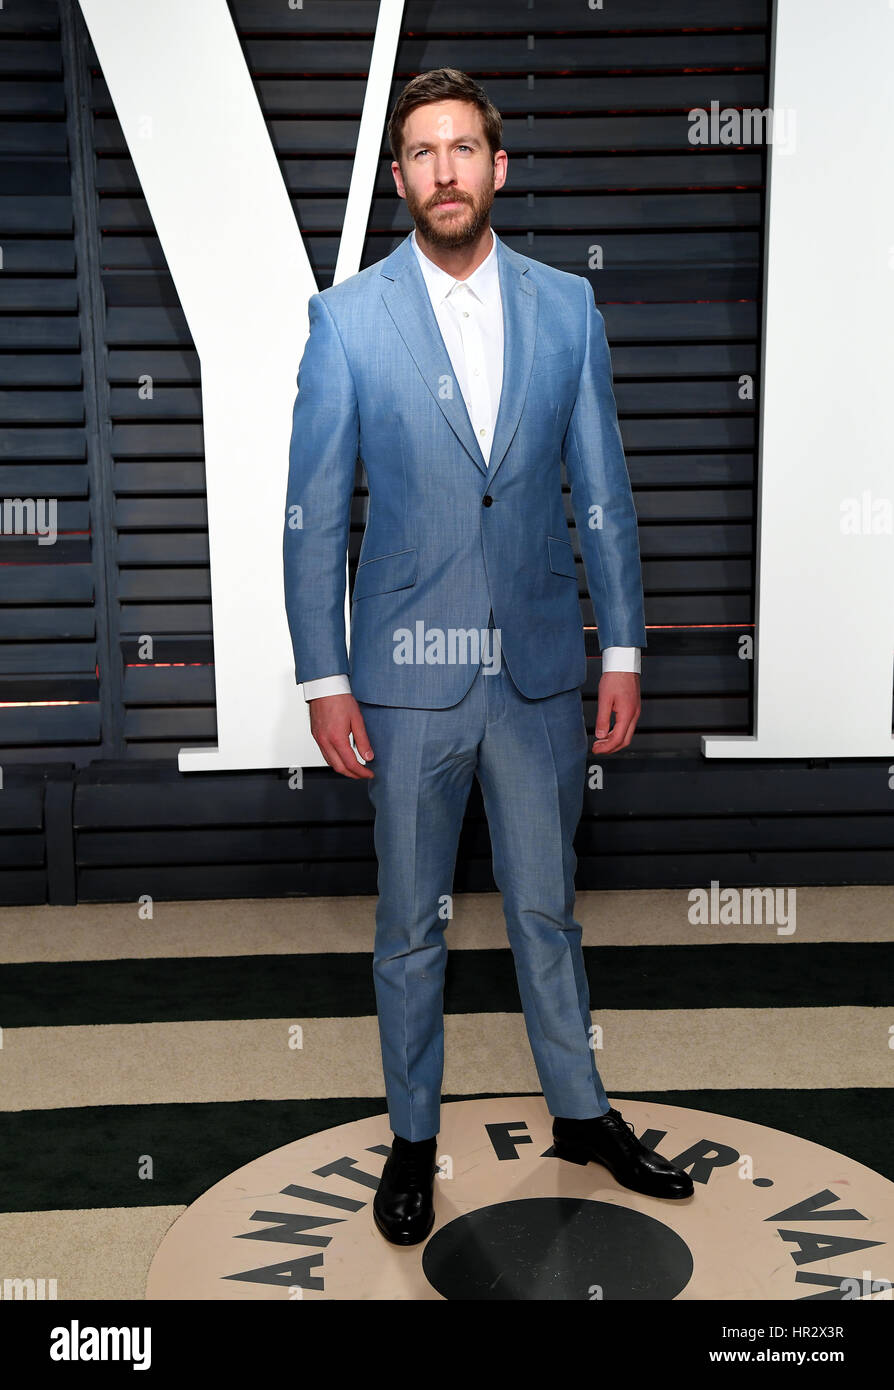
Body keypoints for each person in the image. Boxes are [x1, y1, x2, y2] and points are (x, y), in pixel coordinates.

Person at [283, 67, 694, 1246]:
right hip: (405, 684)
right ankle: (414, 1138)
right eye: (424, 153)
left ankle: (580, 1109)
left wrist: (621, 646)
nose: (447, 171)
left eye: (466, 149)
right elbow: (312, 510)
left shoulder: (567, 307)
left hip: (539, 680)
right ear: (401, 178)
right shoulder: (347, 320)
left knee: (548, 909)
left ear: (497, 169)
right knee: (410, 924)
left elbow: (603, 491)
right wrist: (325, 676)